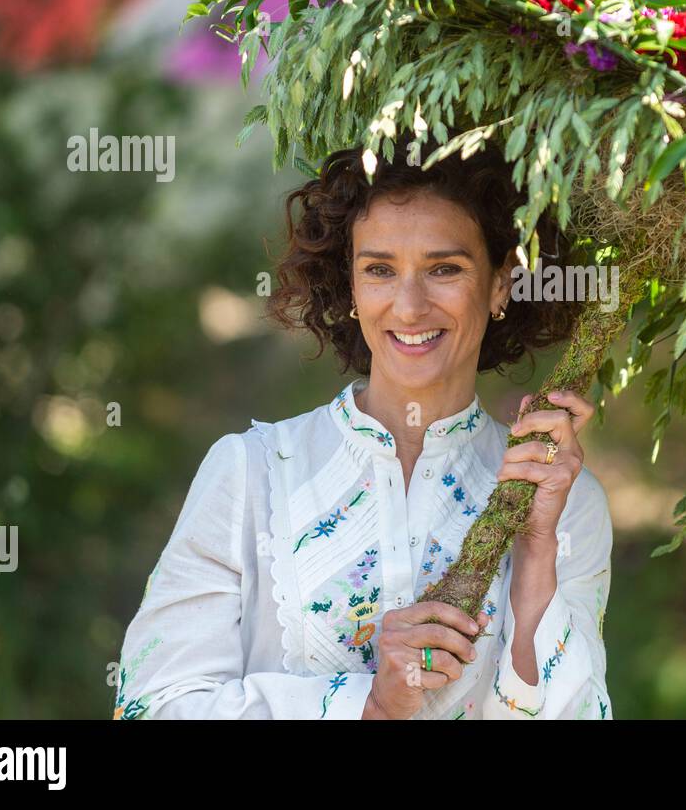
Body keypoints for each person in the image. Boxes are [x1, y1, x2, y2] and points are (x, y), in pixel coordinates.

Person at [112, 141, 614, 719]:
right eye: (380, 270)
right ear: (351, 285)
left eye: (444, 269)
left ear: (501, 283)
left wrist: (535, 556)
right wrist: (368, 706)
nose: (408, 306)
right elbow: (150, 707)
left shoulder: (566, 505)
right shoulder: (251, 476)